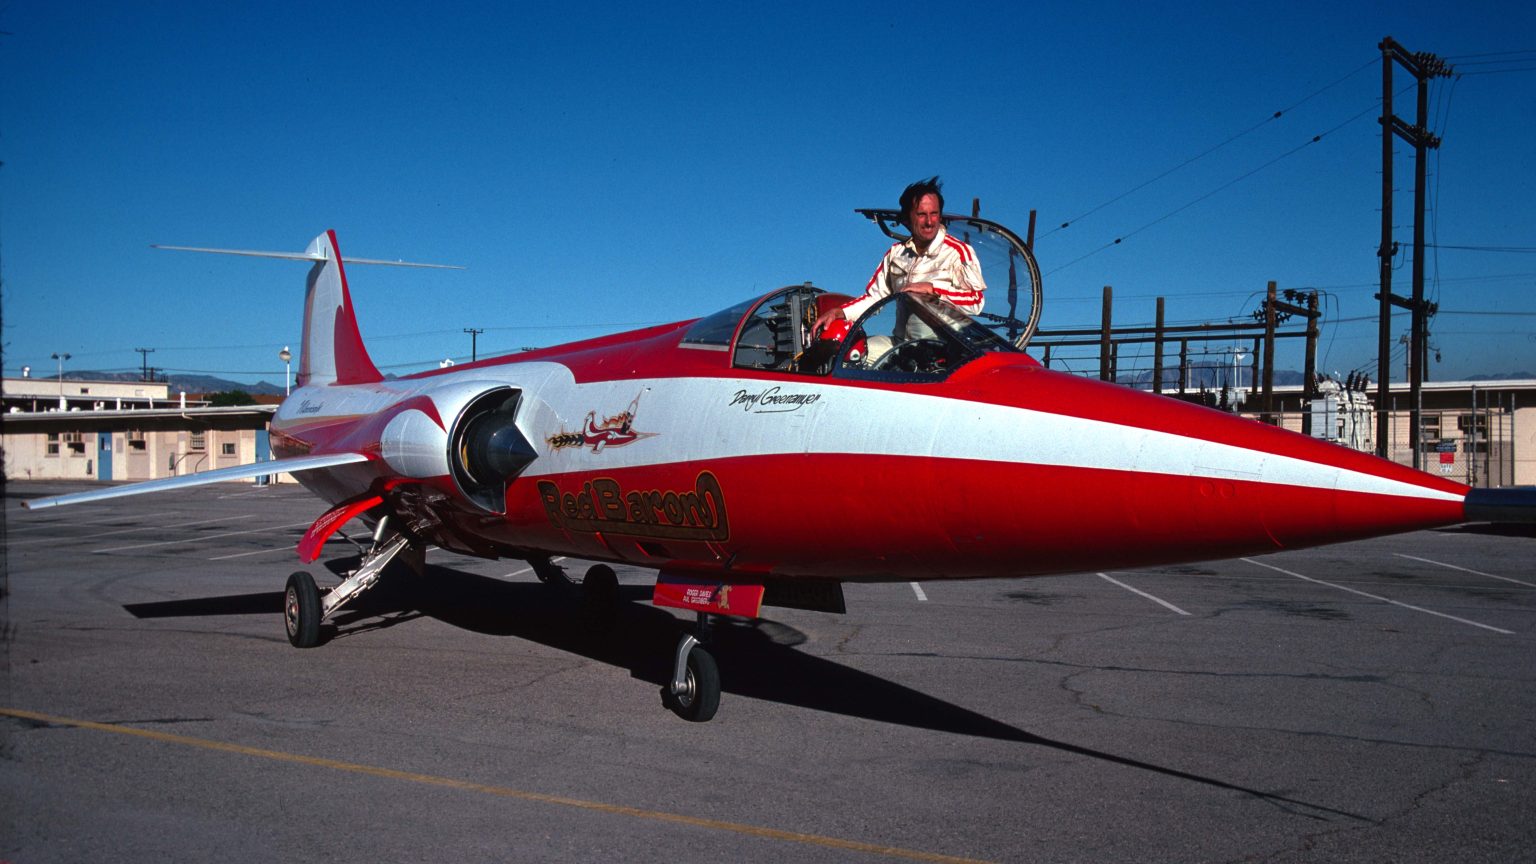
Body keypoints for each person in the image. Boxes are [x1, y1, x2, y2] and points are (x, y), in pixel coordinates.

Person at [815, 176, 987, 336]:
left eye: (934, 214)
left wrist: (934, 290)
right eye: (921, 214)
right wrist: (841, 312)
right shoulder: (896, 253)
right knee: (852, 357)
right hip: (903, 348)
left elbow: (975, 302)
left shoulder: (958, 252)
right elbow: (875, 297)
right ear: (907, 218)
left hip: (946, 351)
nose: (929, 221)